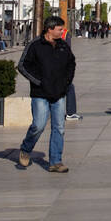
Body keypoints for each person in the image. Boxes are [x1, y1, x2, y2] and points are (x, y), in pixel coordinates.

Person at [16, 16, 76, 172]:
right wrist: (39, 81)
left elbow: (72, 63)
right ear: (50, 29)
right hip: (40, 93)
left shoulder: (63, 46)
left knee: (59, 127)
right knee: (38, 125)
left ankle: (56, 161)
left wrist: (67, 82)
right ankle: (26, 149)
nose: (63, 32)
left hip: (59, 93)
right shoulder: (35, 45)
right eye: (60, 29)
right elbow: (22, 66)